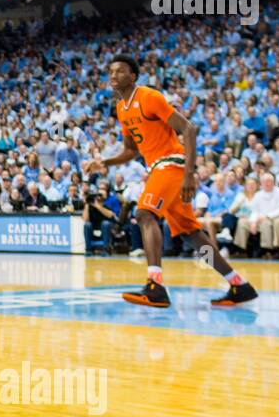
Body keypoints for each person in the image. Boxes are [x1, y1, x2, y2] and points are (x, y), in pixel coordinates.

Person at [84, 55, 257, 308]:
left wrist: (189, 174)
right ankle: (238, 284)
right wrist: (105, 163)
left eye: (119, 71)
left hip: (173, 165)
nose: (113, 75)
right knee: (192, 235)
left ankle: (155, 285)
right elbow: (132, 151)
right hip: (157, 168)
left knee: (144, 214)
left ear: (133, 76)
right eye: (110, 71)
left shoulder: (149, 97)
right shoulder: (122, 108)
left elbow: (188, 129)